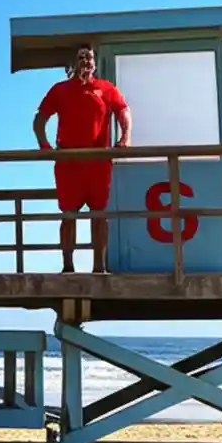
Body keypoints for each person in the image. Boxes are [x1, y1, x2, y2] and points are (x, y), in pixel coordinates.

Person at [32, 44, 131, 273]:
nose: (86, 61)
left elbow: (123, 110)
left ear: (95, 63)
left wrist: (125, 137)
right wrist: (44, 145)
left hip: (98, 163)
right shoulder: (61, 89)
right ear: (74, 63)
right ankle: (68, 266)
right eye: (81, 57)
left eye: (90, 58)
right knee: (68, 215)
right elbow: (40, 118)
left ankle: (99, 267)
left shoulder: (106, 88)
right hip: (69, 164)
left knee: (99, 216)